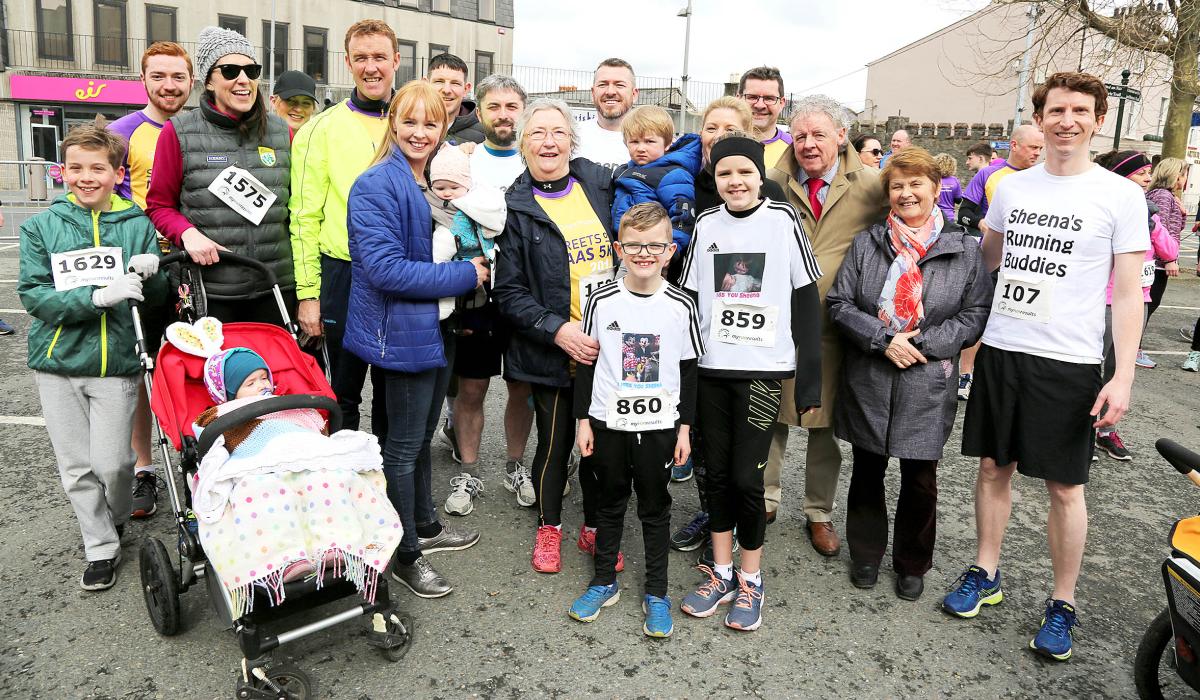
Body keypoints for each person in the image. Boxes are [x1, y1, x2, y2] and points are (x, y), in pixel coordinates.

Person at [943, 72, 1149, 662]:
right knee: (991, 466)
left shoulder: (1120, 195)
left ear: (1098, 119)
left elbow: (1130, 293)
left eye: (1079, 111)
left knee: (1065, 487)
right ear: (1040, 118)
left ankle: (1063, 602)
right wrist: (966, 345)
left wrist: (1124, 375)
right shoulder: (1012, 189)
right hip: (1005, 349)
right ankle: (986, 572)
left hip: (1070, 359)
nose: (1067, 121)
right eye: (1056, 110)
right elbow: (987, 266)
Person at [826, 147, 991, 601]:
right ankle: (865, 554)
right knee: (866, 469)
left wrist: (918, 343)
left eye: (916, 184)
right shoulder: (867, 243)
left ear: (936, 189)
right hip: (871, 375)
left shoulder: (962, 248)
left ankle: (912, 562)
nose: (906, 193)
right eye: (897, 186)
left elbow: (975, 313)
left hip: (927, 376)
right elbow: (840, 303)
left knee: (921, 478)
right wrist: (884, 340)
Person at [345, 80, 487, 598]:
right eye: (410, 121)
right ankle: (404, 554)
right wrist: (467, 276)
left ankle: (424, 525)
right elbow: (386, 271)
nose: (420, 132)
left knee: (420, 434)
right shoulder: (377, 184)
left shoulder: (429, 178)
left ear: (444, 127)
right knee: (402, 447)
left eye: (431, 123)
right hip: (400, 332)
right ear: (393, 123)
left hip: (434, 328)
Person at [677, 134, 822, 631]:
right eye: (724, 174)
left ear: (760, 175)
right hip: (713, 370)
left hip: (761, 373)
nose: (735, 182)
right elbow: (691, 299)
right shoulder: (706, 223)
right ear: (713, 180)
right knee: (714, 477)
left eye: (744, 172)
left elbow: (806, 299)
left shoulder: (783, 221)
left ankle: (751, 577)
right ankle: (720, 572)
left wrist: (809, 382)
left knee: (745, 478)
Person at [17, 125, 167, 591]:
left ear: (116, 173)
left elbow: (155, 299)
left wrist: (153, 273)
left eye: (97, 168)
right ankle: (99, 545)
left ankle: (115, 516)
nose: (86, 177)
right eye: (76, 168)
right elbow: (35, 295)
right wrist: (98, 297)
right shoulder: (40, 226)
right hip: (56, 364)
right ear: (62, 171)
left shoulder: (137, 223)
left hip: (115, 363)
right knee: (76, 467)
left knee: (114, 465)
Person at [494, 98, 621, 573]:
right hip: (552, 348)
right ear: (522, 144)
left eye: (558, 132)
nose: (548, 141)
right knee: (554, 443)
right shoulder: (514, 206)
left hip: (607, 348)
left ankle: (594, 526)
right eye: (537, 133)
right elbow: (508, 291)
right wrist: (558, 330)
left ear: (573, 140)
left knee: (603, 449)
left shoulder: (599, 183)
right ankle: (549, 528)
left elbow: (663, 162)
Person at [568, 202, 702, 638]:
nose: (644, 253)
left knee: (654, 507)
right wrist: (582, 420)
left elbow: (688, 369)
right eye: (634, 245)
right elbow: (587, 363)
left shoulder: (682, 304)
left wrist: (684, 428)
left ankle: (657, 592)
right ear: (618, 249)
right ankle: (603, 581)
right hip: (608, 421)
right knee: (608, 503)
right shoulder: (600, 298)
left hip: (660, 426)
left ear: (670, 251)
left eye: (655, 246)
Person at [188, 344, 402, 615]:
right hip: (256, 469)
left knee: (331, 479)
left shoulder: (288, 405)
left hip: (304, 460)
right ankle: (288, 557)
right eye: (250, 383)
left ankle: (334, 545)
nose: (261, 386)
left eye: (264, 377)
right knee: (262, 494)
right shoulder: (221, 416)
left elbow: (315, 431)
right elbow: (210, 447)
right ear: (228, 395)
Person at [763, 95, 888, 553]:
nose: (808, 144)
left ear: (841, 135)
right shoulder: (769, 180)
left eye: (818, 134)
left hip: (837, 326)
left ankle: (819, 512)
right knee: (769, 416)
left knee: (825, 424)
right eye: (799, 136)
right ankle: (765, 498)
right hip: (775, 322)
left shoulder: (874, 186)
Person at [669, 96, 788, 556]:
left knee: (742, 452)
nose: (718, 135)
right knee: (702, 439)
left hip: (748, 342)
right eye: (711, 127)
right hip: (693, 323)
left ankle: (743, 521)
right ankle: (711, 513)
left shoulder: (764, 197)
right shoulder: (683, 182)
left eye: (729, 128)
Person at [289, 19, 400, 438]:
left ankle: (390, 487)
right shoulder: (319, 128)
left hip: (401, 276)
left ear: (396, 61)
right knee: (340, 396)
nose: (371, 67)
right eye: (361, 58)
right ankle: (342, 489)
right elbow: (303, 217)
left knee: (393, 393)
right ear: (348, 63)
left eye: (379, 57)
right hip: (343, 275)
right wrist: (309, 296)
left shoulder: (415, 121)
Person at [145, 26, 294, 323]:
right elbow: (159, 205)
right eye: (229, 70)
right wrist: (187, 234)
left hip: (276, 287)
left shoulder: (283, 132)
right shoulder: (179, 133)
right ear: (209, 82)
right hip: (210, 290)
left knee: (272, 369)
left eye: (251, 70)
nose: (243, 80)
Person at [108, 40, 194, 520]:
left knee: (192, 365)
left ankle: (194, 457)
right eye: (159, 76)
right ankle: (145, 469)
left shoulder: (198, 127)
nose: (168, 85)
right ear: (143, 79)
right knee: (144, 370)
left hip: (192, 267)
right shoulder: (122, 133)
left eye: (177, 77)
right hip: (141, 270)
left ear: (190, 82)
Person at [443, 74, 537, 507]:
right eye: (494, 107)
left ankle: (516, 467)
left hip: (524, 292)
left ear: (523, 111)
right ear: (478, 113)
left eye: (511, 107)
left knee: (522, 387)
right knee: (472, 388)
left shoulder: (537, 160)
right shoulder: (460, 159)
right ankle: (469, 472)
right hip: (475, 297)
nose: (503, 115)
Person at [954, 124, 1044, 401]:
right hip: (994, 259)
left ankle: (1013, 379)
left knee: (1022, 320)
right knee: (981, 317)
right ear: (1015, 145)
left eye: (1041, 149)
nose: (1038, 154)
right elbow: (965, 213)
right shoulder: (989, 174)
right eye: (1033, 148)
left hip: (1029, 263)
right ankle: (965, 373)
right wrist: (983, 223)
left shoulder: (1045, 177)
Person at [611, 105, 700, 272]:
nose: (641, 148)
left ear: (667, 144)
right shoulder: (626, 170)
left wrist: (669, 252)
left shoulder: (673, 174)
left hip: (652, 254)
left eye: (649, 141)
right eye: (634, 141)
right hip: (626, 248)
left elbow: (684, 216)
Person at [1145, 157, 1186, 362]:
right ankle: (1134, 348)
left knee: (1150, 304)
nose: (1185, 179)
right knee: (1148, 305)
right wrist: (1169, 258)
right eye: (1184, 173)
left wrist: (1183, 213)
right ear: (1176, 175)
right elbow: (1159, 227)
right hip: (1158, 262)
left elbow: (1175, 227)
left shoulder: (1166, 195)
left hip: (1161, 260)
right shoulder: (1162, 195)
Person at [577, 58, 638, 172]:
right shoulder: (571, 135)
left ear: (634, 94)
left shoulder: (655, 141)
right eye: (602, 84)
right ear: (593, 92)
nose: (610, 92)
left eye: (619, 85)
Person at [736, 67, 791, 168]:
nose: (760, 105)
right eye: (752, 97)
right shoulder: (720, 142)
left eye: (769, 98)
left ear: (782, 103)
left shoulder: (794, 149)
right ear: (739, 99)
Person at [429, 53, 485, 144]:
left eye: (455, 83)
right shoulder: (407, 124)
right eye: (439, 81)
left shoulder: (485, 134)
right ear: (426, 84)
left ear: (466, 89)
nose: (447, 90)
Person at [934, 153, 962, 222]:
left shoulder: (933, 179)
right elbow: (958, 200)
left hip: (935, 215)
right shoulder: (954, 180)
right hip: (949, 216)